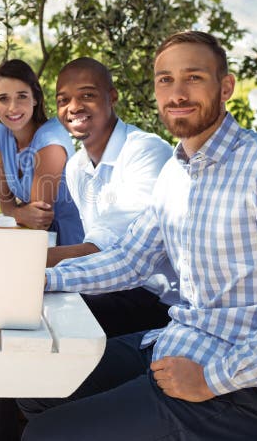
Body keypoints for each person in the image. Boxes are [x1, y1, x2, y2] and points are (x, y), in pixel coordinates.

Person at [19, 31, 257, 440]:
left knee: (46, 436)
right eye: (165, 80)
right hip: (172, 343)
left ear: (225, 87)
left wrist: (214, 378)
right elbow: (131, 259)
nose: (177, 93)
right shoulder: (176, 171)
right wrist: (42, 279)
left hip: (237, 388)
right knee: (34, 382)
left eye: (194, 77)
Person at [50, 57, 177, 338]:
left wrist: (19, 260)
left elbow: (108, 250)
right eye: (63, 100)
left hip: (159, 303)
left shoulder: (145, 151)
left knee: (56, 320)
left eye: (87, 95)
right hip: (114, 287)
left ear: (112, 97)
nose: (73, 107)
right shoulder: (76, 167)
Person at [0, 59, 83, 246]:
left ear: (35, 98)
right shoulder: (1, 133)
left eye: (22, 96)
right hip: (31, 238)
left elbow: (39, 220)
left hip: (68, 244)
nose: (12, 107)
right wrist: (20, 213)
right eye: (3, 98)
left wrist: (17, 212)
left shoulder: (50, 140)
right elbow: (5, 204)